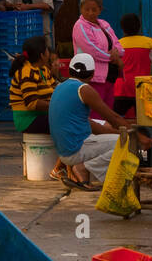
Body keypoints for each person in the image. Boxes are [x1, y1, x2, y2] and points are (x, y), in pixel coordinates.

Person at [48, 52, 130, 189]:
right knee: (127, 142)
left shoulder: (60, 87)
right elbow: (113, 118)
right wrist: (137, 135)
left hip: (63, 152)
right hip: (75, 150)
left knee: (114, 135)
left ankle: (82, 170)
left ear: (69, 71)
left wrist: (111, 132)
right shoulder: (84, 89)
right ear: (92, 74)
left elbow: (91, 124)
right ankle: (83, 169)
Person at [71, 0, 124, 107]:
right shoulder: (80, 26)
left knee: (108, 110)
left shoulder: (104, 24)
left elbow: (118, 45)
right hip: (91, 77)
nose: (90, 13)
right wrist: (113, 57)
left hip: (109, 77)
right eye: (87, 9)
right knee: (96, 113)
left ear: (100, 9)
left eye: (94, 10)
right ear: (81, 9)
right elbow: (92, 50)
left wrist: (117, 53)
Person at [112, 13, 152, 117]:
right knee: (143, 121)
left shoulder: (117, 44)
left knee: (115, 120)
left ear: (123, 28)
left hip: (121, 88)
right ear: (139, 26)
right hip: (141, 88)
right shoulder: (149, 42)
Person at [8, 34, 58, 133]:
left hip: (41, 115)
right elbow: (32, 103)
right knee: (67, 121)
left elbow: (56, 89)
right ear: (42, 55)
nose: (49, 52)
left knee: (71, 117)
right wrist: (57, 105)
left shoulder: (43, 70)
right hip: (28, 120)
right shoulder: (27, 72)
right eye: (47, 50)